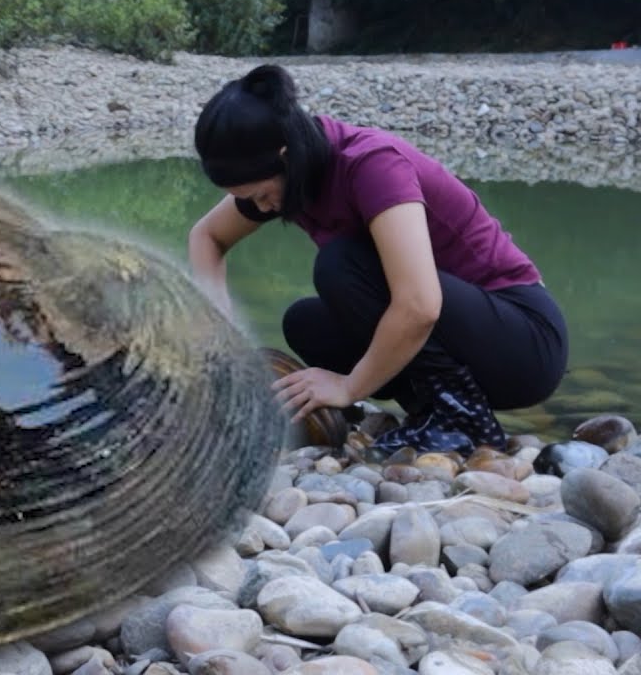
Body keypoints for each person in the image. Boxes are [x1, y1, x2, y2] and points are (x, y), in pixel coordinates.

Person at [187, 64, 569, 455]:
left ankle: (463, 417)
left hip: (524, 340)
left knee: (341, 265)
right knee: (306, 324)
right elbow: (207, 237)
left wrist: (350, 387)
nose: (260, 207)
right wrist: (221, 326)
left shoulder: (371, 165)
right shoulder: (293, 172)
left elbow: (420, 304)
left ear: (285, 158)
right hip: (465, 334)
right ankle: (431, 411)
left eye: (260, 195)